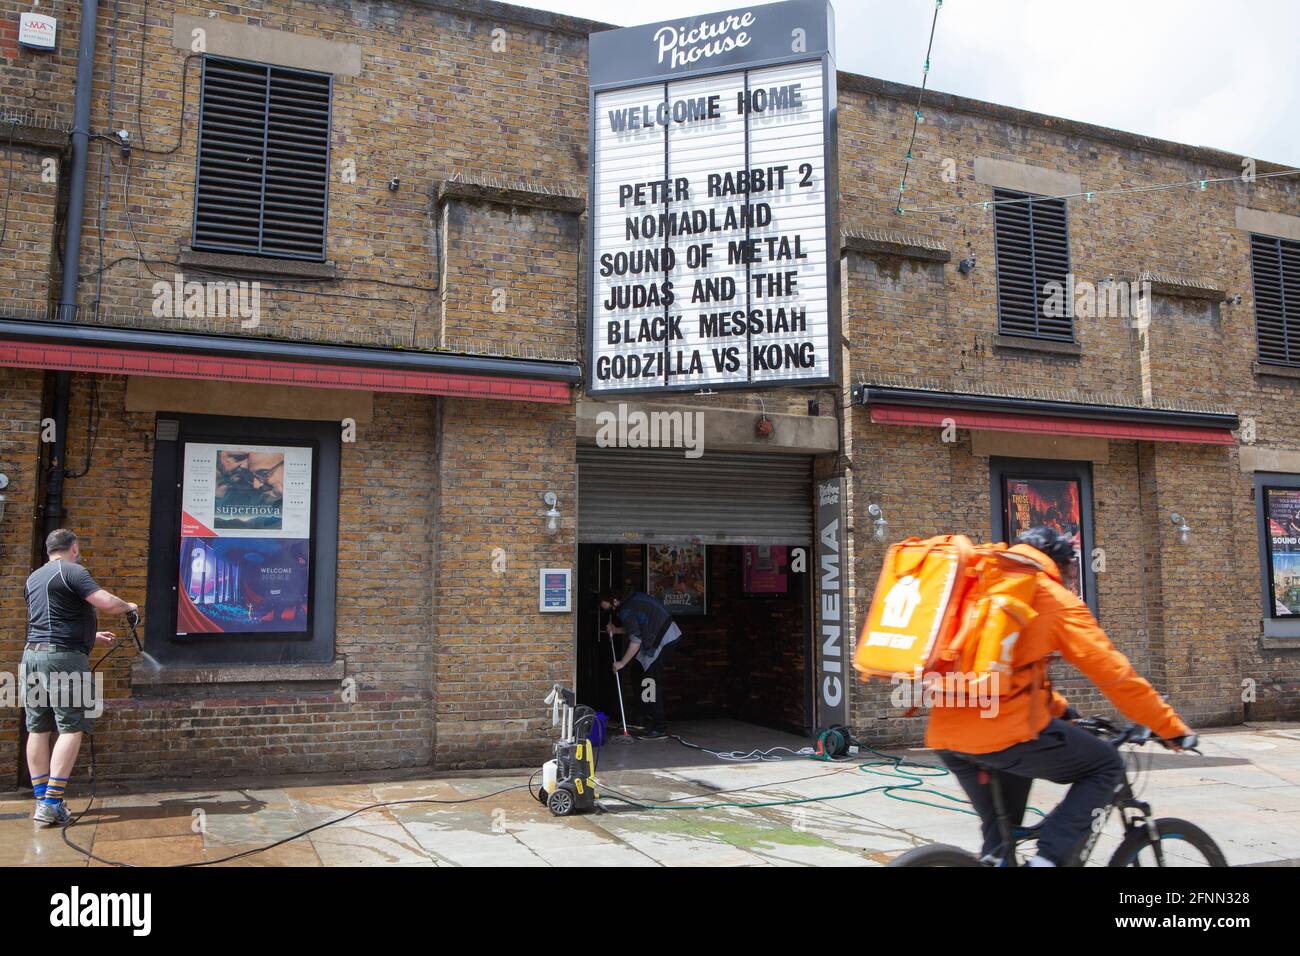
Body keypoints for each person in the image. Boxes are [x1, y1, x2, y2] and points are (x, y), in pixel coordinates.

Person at [928, 525, 1194, 867]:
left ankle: (997, 857)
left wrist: (1063, 711)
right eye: (1071, 570)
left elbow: (1015, 670)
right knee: (1105, 764)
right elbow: (1116, 676)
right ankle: (1048, 861)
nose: (1071, 578)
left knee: (1002, 835)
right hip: (1002, 733)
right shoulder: (1053, 599)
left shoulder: (984, 584)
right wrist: (1170, 728)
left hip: (947, 733)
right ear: (1059, 564)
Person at [22, 529, 137, 826]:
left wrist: (90, 635)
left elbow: (50, 619)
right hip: (63, 660)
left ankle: (42, 799)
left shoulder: (34, 577)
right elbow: (106, 602)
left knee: (38, 728)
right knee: (71, 726)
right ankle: (51, 804)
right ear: (74, 547)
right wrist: (129, 606)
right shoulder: (73, 570)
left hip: (32, 656)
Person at [599, 590, 682, 739]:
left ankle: (659, 727)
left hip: (663, 639)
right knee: (637, 672)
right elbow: (635, 628)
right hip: (656, 636)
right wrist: (616, 630)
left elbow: (636, 641)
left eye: (610, 608)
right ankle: (644, 717)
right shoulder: (631, 600)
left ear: (615, 601)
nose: (612, 612)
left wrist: (621, 663)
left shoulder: (626, 609)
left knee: (650, 680)